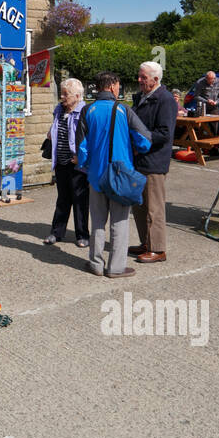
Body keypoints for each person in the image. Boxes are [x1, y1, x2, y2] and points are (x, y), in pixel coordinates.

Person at [76, 71, 151, 277]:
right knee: (120, 222)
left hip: (96, 175)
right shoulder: (123, 110)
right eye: (118, 86)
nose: (119, 89)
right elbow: (145, 140)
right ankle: (116, 268)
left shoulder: (87, 110)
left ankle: (96, 264)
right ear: (111, 87)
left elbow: (81, 147)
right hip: (120, 175)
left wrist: (86, 167)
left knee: (98, 221)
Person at [130, 61, 177, 264]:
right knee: (140, 206)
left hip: (154, 161)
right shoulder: (142, 97)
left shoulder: (165, 100)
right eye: (139, 76)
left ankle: (158, 249)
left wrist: (141, 139)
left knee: (154, 208)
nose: (139, 80)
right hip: (140, 160)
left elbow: (165, 134)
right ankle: (146, 243)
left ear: (156, 79)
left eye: (143, 78)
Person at [44, 78, 90, 249]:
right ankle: (56, 232)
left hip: (77, 163)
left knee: (80, 200)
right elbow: (55, 129)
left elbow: (89, 138)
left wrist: (80, 156)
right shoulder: (59, 110)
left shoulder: (85, 111)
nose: (62, 97)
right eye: (61, 93)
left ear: (77, 96)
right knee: (62, 199)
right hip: (61, 161)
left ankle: (82, 235)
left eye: (65, 94)